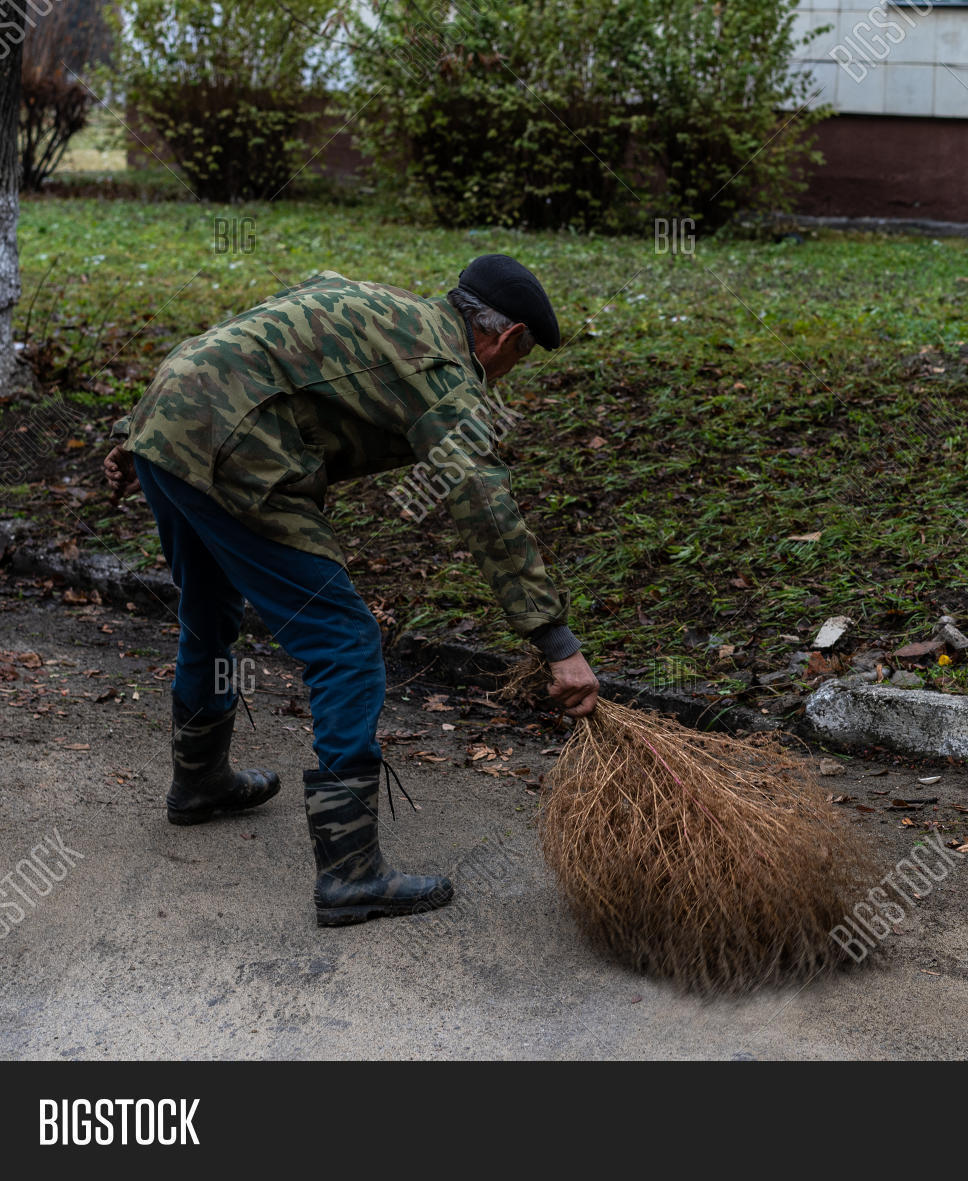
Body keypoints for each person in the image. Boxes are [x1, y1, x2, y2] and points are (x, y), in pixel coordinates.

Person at [102, 255, 599, 927]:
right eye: (520, 357)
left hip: (167, 424)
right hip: (235, 455)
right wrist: (556, 642)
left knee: (210, 613)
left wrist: (138, 430)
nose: (509, 373)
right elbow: (483, 503)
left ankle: (199, 779)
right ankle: (350, 872)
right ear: (506, 339)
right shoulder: (444, 376)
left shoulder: (371, 299)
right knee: (345, 642)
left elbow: (251, 334)